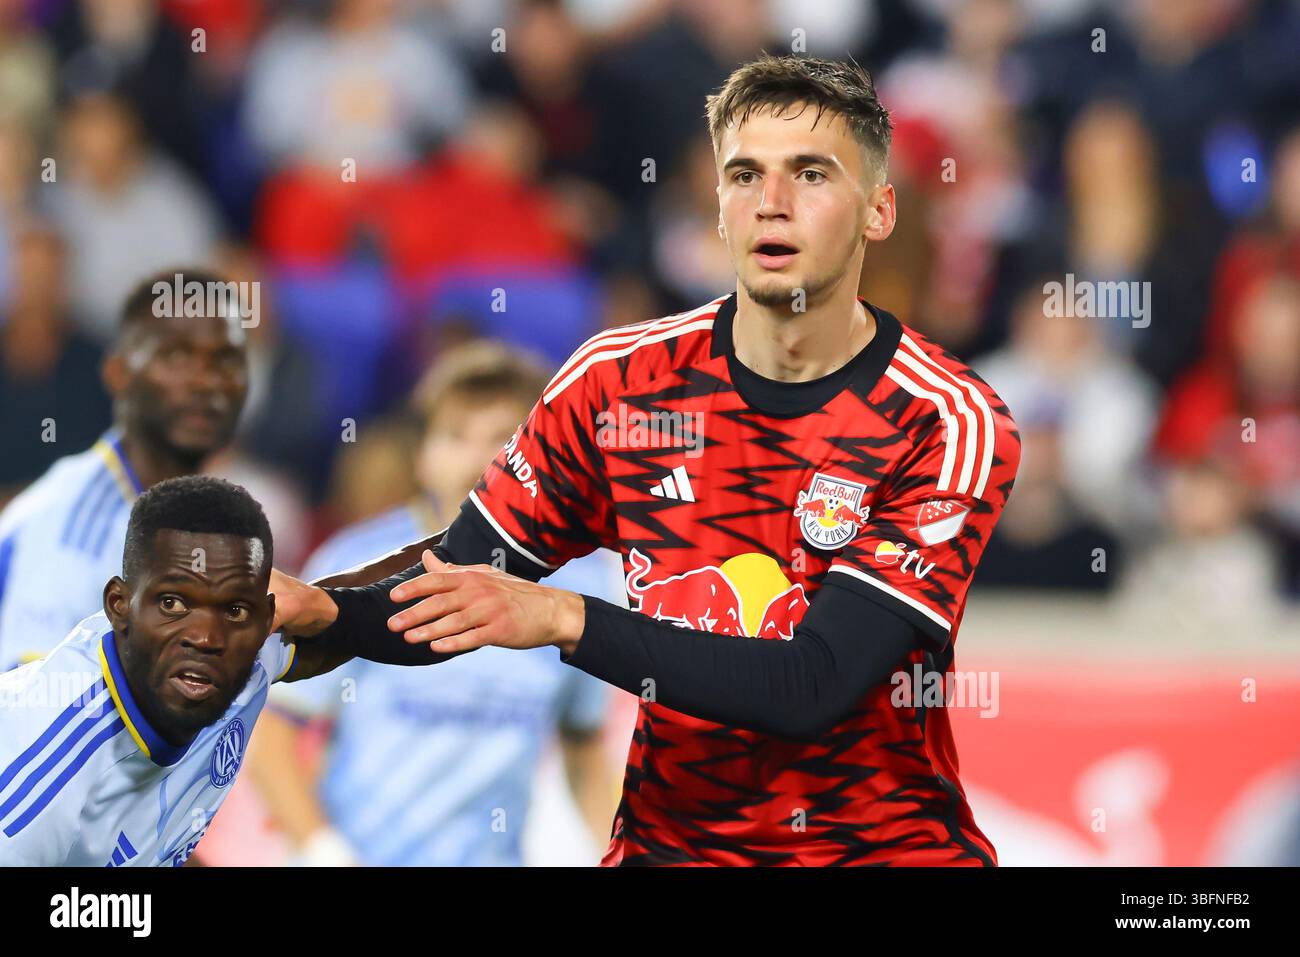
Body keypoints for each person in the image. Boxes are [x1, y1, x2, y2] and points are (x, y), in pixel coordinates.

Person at [271, 54, 1022, 866]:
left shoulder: (946, 419)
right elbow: (461, 580)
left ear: (878, 211)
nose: (771, 203)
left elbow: (816, 685)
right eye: (744, 175)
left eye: (810, 174)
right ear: (719, 208)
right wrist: (323, 617)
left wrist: (565, 617)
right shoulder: (617, 381)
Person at [248, 341, 621, 866]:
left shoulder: (582, 587)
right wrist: (323, 852)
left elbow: (583, 748)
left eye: (501, 439)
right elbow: (274, 730)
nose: (477, 458)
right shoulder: (358, 565)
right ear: (421, 456)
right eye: (455, 436)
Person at [0, 477, 353, 866]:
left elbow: (394, 623)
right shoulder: (39, 782)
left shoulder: (242, 658)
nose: (204, 637)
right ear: (119, 606)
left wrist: (326, 606)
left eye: (234, 610)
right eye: (171, 603)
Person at [0, 267, 249, 670]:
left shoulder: (221, 513)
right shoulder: (70, 524)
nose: (207, 382)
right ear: (118, 373)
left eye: (226, 359)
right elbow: (35, 713)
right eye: (177, 356)